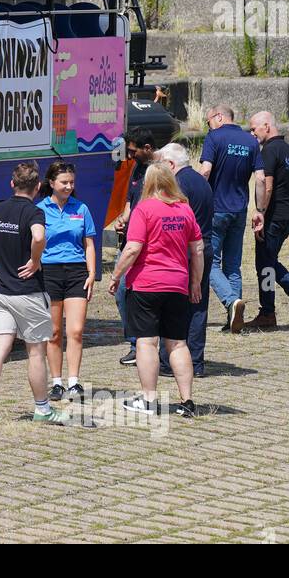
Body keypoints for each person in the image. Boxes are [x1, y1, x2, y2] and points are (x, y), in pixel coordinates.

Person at [0, 162, 68, 424]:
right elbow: (39, 236)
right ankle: (43, 408)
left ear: (12, 184)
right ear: (38, 187)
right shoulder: (34, 212)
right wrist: (34, 259)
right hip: (28, 292)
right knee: (35, 352)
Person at [109, 163, 204, 418]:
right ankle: (187, 401)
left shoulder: (144, 209)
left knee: (147, 343)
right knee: (177, 344)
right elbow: (197, 249)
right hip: (177, 285)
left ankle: (149, 400)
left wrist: (116, 276)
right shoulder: (185, 210)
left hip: (146, 285)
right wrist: (195, 283)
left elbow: (132, 248)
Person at [199, 105, 264, 333]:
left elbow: (206, 171)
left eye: (208, 122)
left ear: (218, 117)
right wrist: (260, 209)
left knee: (209, 263)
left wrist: (192, 193)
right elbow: (260, 179)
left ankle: (230, 301)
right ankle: (234, 320)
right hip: (239, 210)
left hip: (216, 209)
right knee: (233, 265)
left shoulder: (214, 138)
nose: (209, 127)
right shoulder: (251, 141)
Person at [247, 112, 289, 329]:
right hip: (288, 215)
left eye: (254, 128)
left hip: (274, 216)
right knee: (270, 261)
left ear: (266, 126)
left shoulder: (269, 151)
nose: (251, 133)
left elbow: (267, 185)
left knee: (265, 265)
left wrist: (260, 213)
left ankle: (271, 311)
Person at [36, 162, 97, 402]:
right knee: (53, 332)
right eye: (64, 182)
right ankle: (57, 383)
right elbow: (34, 243)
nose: (69, 186)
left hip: (76, 272)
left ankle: (74, 382)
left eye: (72, 182)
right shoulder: (40, 209)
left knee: (76, 330)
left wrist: (91, 273)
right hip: (49, 272)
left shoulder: (81, 208)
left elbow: (89, 243)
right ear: (51, 183)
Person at [155, 142, 212, 377]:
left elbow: (172, 223)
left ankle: (169, 362)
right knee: (198, 307)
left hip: (184, 253)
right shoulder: (201, 181)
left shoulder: (177, 185)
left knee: (171, 309)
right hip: (204, 248)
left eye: (161, 165)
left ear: (170, 164)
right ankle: (196, 362)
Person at [113, 129, 155, 366]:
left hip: (146, 243)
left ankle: (144, 345)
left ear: (147, 148)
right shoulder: (137, 169)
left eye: (133, 151)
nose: (129, 156)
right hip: (130, 239)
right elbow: (130, 202)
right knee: (122, 293)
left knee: (140, 294)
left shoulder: (158, 172)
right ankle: (135, 343)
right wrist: (123, 219)